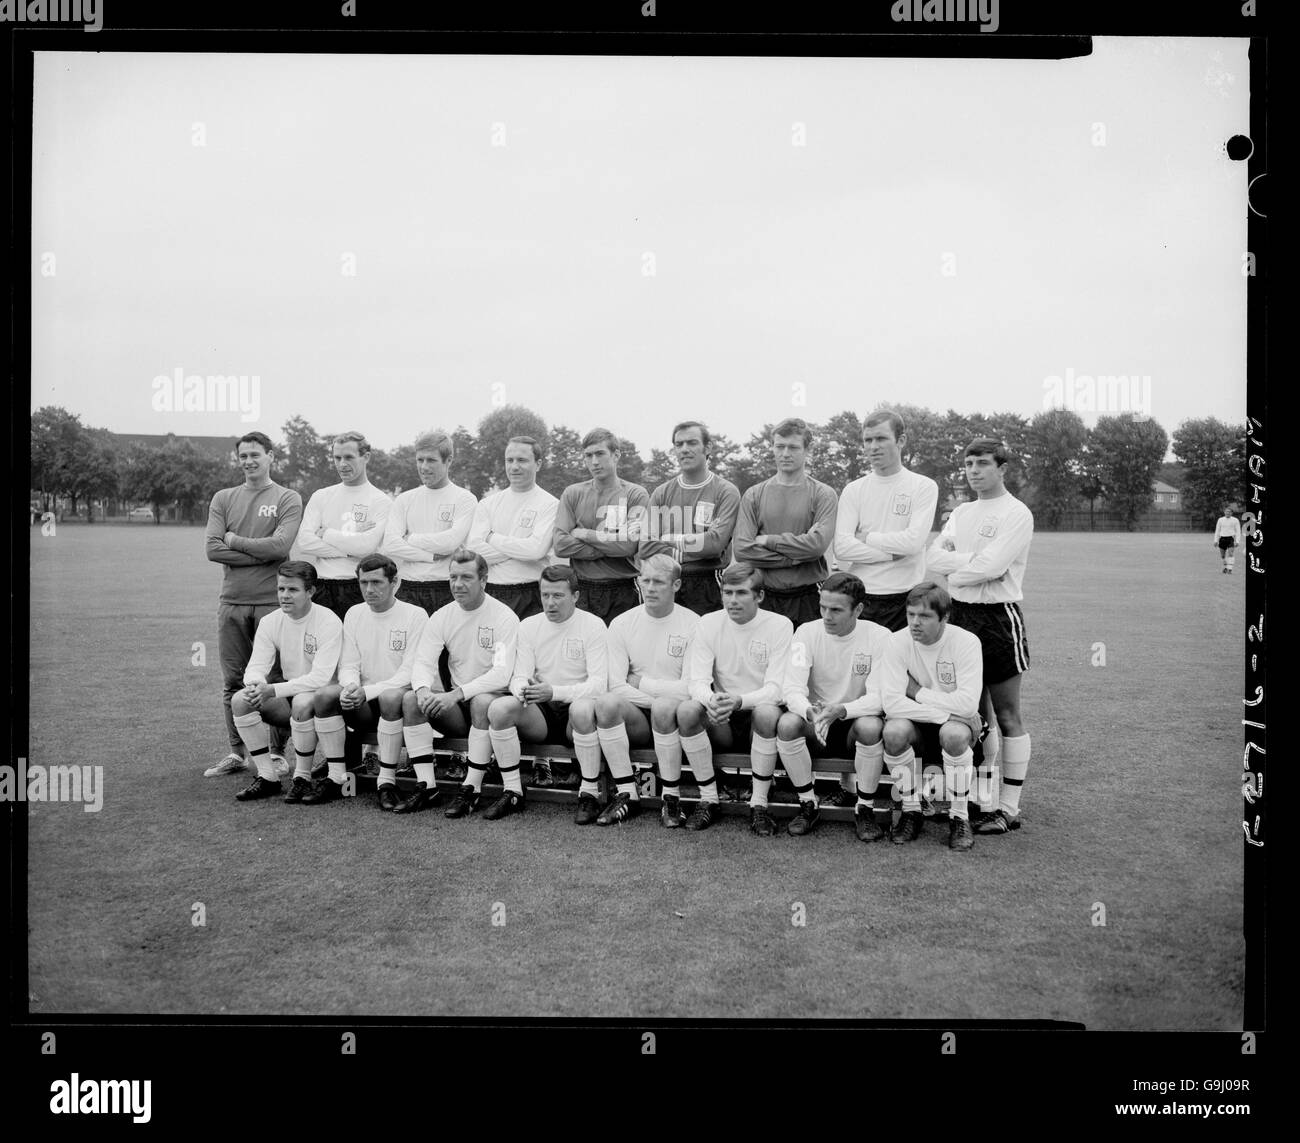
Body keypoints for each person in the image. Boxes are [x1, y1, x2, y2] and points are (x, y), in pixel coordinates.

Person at [926, 438, 1034, 835]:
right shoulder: (961, 513)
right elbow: (935, 559)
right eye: (969, 463)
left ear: (1001, 468)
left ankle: (1008, 808)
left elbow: (995, 566)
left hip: (998, 619)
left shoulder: (1016, 513)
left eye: (983, 463)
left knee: (1007, 715)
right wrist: (972, 565)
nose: (974, 470)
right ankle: (978, 801)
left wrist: (963, 566)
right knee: (972, 713)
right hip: (958, 616)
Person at [204, 431, 303, 780]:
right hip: (231, 602)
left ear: (271, 456)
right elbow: (212, 549)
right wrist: (255, 550)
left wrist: (233, 540)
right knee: (233, 681)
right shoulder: (224, 498)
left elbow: (280, 548)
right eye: (243, 455)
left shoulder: (287, 497)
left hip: (272, 605)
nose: (248, 461)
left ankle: (276, 754)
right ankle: (237, 754)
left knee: (276, 681)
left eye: (255, 455)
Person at [303, 554, 427, 809]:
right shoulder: (354, 613)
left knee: (392, 695)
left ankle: (386, 782)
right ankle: (337, 777)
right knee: (325, 695)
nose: (369, 590)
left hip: (399, 701)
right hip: (364, 703)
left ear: (396, 583)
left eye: (376, 582)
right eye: (363, 582)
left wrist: (366, 691)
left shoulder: (416, 615)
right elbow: (349, 664)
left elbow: (408, 674)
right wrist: (350, 686)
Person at [484, 566, 608, 821]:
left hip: (576, 709)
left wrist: (554, 691)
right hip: (540, 708)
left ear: (575, 596)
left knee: (583, 709)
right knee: (499, 709)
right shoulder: (528, 626)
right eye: (545, 595)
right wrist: (523, 690)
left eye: (558, 596)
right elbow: (518, 676)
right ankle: (513, 790)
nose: (550, 603)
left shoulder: (594, 625)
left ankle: (589, 793)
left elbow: (599, 685)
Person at [403, 549, 520, 818]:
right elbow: (422, 662)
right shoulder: (443, 616)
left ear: (483, 580)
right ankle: (427, 786)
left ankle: (471, 789)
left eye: (466, 577)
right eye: (453, 577)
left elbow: (502, 674)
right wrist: (422, 689)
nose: (457, 584)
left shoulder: (503, 616)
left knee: (482, 700)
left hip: (493, 708)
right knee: (411, 700)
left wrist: (456, 694)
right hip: (457, 708)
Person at [778, 572, 893, 841]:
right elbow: (791, 689)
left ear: (859, 609)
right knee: (787, 723)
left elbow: (881, 699)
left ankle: (864, 808)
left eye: (836, 610)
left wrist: (841, 710)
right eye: (823, 607)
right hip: (817, 722)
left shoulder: (881, 637)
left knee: (870, 726)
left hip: (854, 722)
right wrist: (810, 712)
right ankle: (808, 802)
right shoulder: (806, 632)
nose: (827, 616)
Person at [675, 563, 792, 832]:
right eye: (727, 592)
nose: (732, 600)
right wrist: (711, 700)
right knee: (688, 710)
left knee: (766, 712)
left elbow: (777, 689)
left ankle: (759, 804)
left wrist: (740, 700)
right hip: (723, 714)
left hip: (758, 711)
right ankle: (708, 800)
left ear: (759, 596)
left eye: (741, 593)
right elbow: (697, 681)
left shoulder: (779, 625)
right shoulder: (708, 623)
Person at [587, 553, 701, 826]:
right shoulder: (622, 623)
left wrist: (644, 683)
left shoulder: (695, 623)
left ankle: (670, 798)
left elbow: (690, 688)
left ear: (676, 585)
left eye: (659, 582)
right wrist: (659, 699)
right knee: (605, 702)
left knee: (668, 706)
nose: (650, 588)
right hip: (639, 714)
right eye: (645, 580)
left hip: (679, 714)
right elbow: (615, 684)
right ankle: (627, 793)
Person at [880, 582, 984, 851]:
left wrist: (918, 692)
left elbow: (969, 704)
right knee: (893, 732)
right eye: (911, 614)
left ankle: (959, 816)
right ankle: (911, 810)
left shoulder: (966, 642)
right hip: (928, 720)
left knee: (953, 733)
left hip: (955, 727)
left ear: (945, 617)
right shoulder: (896, 641)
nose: (915, 622)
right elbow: (892, 704)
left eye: (924, 616)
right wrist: (946, 712)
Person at [229, 561, 343, 803]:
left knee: (302, 701)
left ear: (311, 591)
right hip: (290, 692)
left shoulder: (328, 620)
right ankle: (268, 777)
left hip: (326, 698)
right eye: (281, 589)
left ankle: (301, 778)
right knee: (241, 700)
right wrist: (255, 684)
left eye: (293, 590)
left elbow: (321, 677)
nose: (285, 596)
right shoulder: (271, 621)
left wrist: (272, 689)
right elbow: (256, 665)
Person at [834, 409, 940, 632]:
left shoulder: (923, 486)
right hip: (860, 597)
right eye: (868, 440)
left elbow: (913, 542)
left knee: (899, 667)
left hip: (905, 598)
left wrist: (867, 537)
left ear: (901, 440)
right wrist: (892, 553)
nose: (873, 446)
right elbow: (842, 548)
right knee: (860, 666)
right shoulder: (854, 490)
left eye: (881, 438)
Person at [732, 418, 838, 625]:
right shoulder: (754, 494)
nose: (785, 453)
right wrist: (794, 557)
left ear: (807, 450)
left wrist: (768, 540)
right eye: (780, 446)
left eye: (793, 447)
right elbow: (742, 550)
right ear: (772, 448)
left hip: (809, 596)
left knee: (804, 656)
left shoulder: (824, 494)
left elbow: (816, 546)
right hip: (765, 596)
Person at [639, 420, 741, 615]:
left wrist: (668, 540)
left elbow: (714, 545)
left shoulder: (726, 492)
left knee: (703, 642)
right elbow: (645, 547)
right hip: (665, 580)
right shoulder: (661, 493)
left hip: (708, 583)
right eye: (679, 444)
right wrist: (697, 544)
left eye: (692, 443)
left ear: (707, 447)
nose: (684, 449)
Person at [552, 427, 649, 623]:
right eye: (588, 455)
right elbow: (560, 545)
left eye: (600, 454)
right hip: (582, 589)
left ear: (616, 455)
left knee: (621, 652)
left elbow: (630, 546)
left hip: (624, 589)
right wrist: (610, 546)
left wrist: (586, 534)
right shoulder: (573, 493)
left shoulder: (635, 494)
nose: (594, 461)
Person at [294, 431, 392, 622]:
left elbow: (367, 548)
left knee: (357, 649)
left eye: (349, 457)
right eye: (337, 458)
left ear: (366, 457)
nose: (342, 464)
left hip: (359, 587)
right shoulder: (321, 496)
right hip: (321, 586)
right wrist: (350, 547)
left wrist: (326, 533)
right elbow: (304, 543)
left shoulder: (381, 501)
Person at [382, 429, 477, 616]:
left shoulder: (465, 499)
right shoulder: (404, 499)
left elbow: (450, 542)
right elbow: (391, 544)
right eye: (420, 460)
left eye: (431, 460)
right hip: (408, 589)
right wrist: (430, 556)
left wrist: (411, 538)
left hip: (446, 589)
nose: (424, 467)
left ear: (448, 460)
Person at [467, 436, 559, 620]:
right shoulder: (487, 504)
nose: (514, 467)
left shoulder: (550, 504)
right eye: (510, 460)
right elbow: (475, 555)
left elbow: (535, 551)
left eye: (522, 460)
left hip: (532, 594)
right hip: (492, 592)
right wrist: (522, 547)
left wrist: (491, 538)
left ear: (538, 464)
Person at [1214, 506, 1242, 574]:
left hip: (1230, 539)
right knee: (1223, 556)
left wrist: (1237, 541)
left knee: (1230, 553)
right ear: (1224, 512)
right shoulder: (1220, 520)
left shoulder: (1235, 520)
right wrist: (1215, 540)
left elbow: (1238, 531)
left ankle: (1230, 569)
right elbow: (1217, 531)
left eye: (1229, 512)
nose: (1227, 513)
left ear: (1232, 513)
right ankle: (1226, 567)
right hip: (1222, 539)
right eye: (1226, 511)